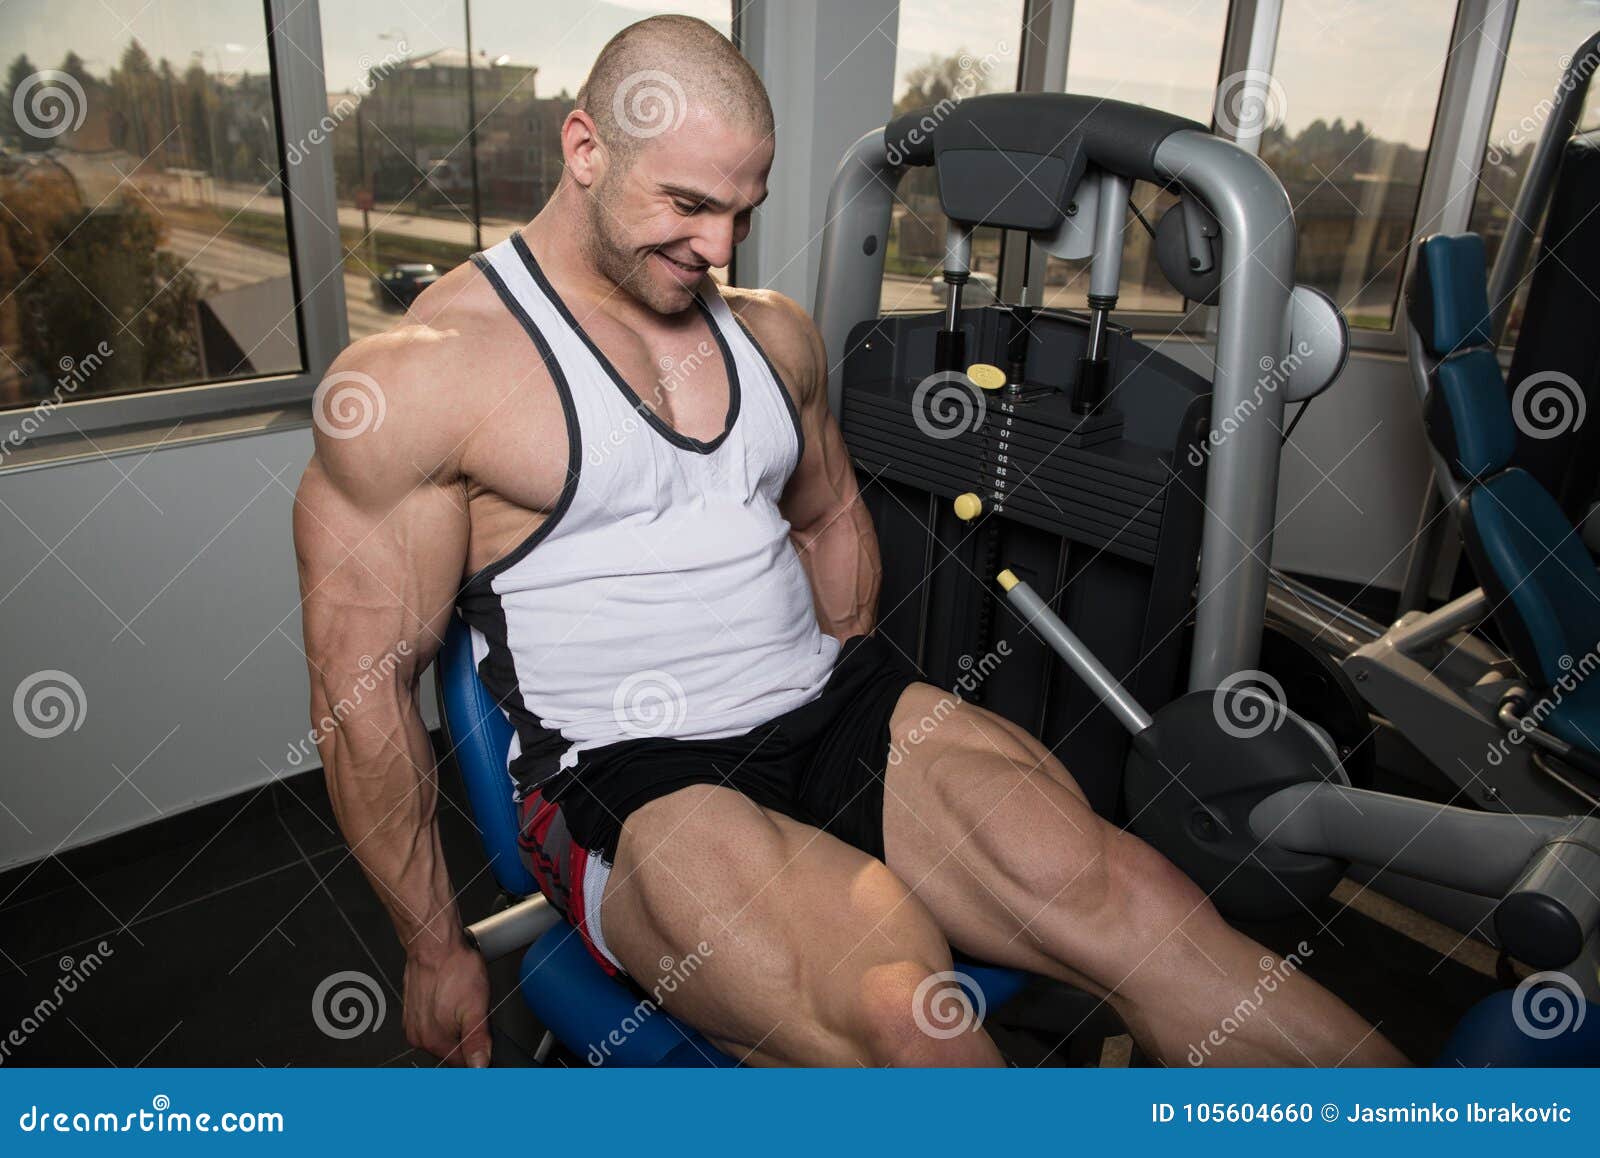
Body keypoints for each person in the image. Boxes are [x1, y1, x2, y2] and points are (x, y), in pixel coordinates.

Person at [293, 14, 1406, 1068]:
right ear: (583, 146)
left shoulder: (771, 334)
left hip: (834, 708)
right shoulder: (425, 379)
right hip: (638, 779)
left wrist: (855, 699)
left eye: (743, 209)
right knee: (905, 1020)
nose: (717, 246)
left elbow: (825, 515)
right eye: (686, 203)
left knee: (1138, 904)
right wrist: (436, 944)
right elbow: (362, 696)